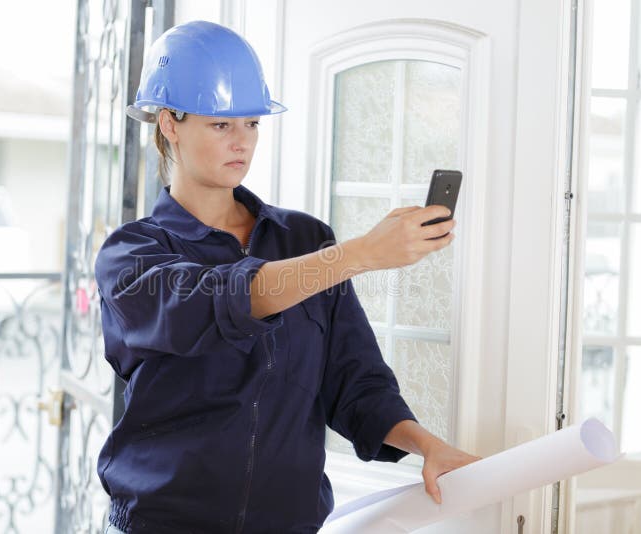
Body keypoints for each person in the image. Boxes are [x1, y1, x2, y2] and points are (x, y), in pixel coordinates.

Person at [95, 20, 479, 534]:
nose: (242, 142)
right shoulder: (132, 255)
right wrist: (359, 254)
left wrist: (426, 445)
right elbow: (219, 301)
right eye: (221, 125)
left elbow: (355, 381)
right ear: (168, 124)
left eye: (251, 124)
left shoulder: (303, 239)